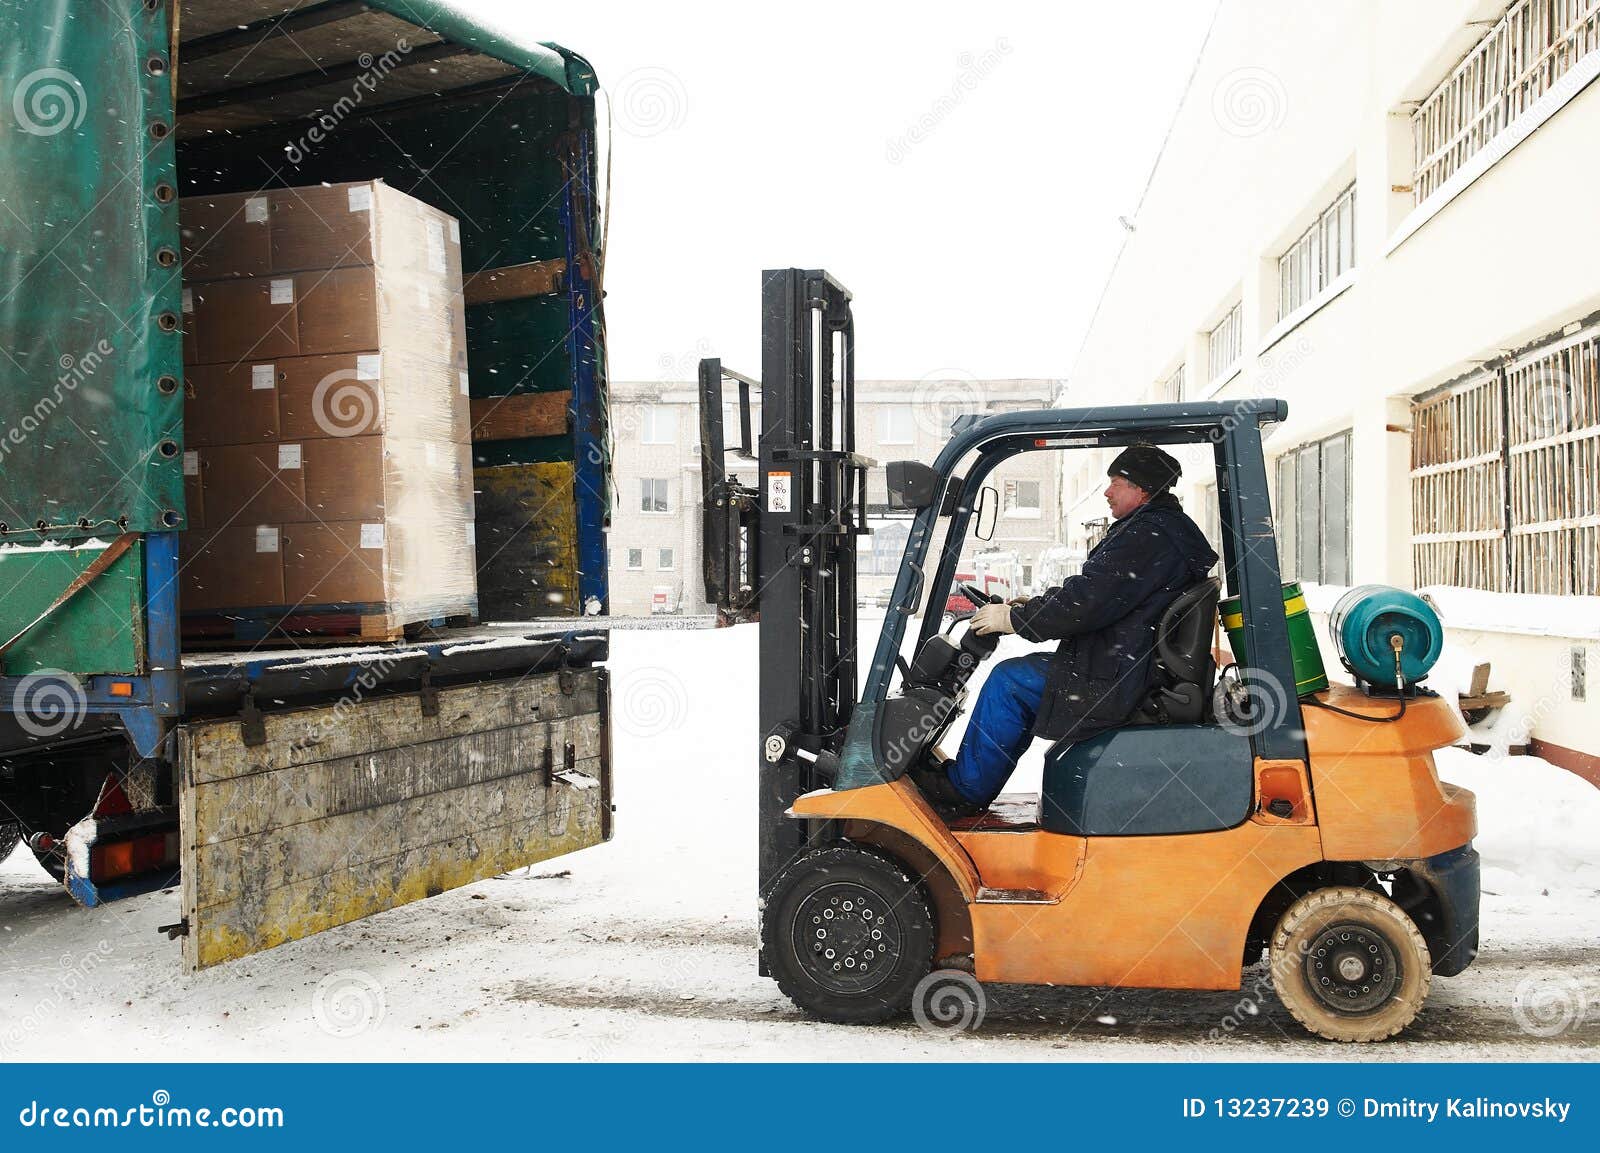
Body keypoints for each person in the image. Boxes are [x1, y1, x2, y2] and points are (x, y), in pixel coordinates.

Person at [911, 443, 1219, 818]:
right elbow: (1095, 591)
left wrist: (1014, 620)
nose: (1107, 491)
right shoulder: (1156, 531)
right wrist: (1028, 607)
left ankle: (963, 790)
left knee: (1010, 682)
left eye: (1117, 482)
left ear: (1142, 490)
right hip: (1124, 662)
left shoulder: (1149, 535)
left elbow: (1087, 602)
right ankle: (968, 781)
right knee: (1020, 679)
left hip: (1121, 675)